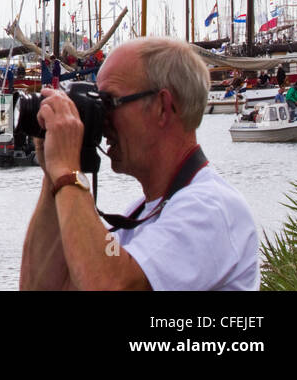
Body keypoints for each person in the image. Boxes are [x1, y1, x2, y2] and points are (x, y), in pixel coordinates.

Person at [20, 37, 258, 290]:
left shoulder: (211, 208)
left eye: (109, 103)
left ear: (162, 107)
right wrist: (52, 175)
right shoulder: (142, 216)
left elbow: (111, 286)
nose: (102, 120)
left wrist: (68, 173)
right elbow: (43, 287)